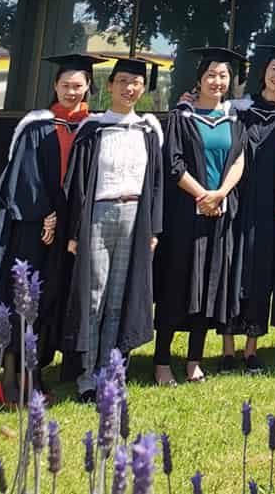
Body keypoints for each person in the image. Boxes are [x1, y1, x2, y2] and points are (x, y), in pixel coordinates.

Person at [0, 52, 103, 402]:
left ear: (88, 88)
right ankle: (15, 381)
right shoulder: (36, 126)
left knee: (56, 298)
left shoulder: (92, 126)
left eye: (78, 86)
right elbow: (24, 179)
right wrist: (46, 214)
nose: (71, 92)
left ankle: (43, 372)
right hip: (35, 230)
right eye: (65, 85)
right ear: (55, 86)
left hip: (74, 230)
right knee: (26, 298)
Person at [60, 58, 163, 400]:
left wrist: (153, 229)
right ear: (108, 86)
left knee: (120, 297)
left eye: (135, 82)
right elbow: (76, 184)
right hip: (98, 215)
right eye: (121, 81)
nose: (128, 88)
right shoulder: (93, 129)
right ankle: (86, 375)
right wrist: (75, 231)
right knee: (94, 296)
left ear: (143, 88)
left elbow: (156, 184)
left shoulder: (148, 131)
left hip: (135, 216)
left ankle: (111, 370)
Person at [153, 46, 247, 386]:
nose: (217, 81)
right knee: (177, 284)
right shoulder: (182, 117)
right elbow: (173, 163)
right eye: (211, 75)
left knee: (209, 286)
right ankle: (162, 361)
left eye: (223, 75)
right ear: (199, 79)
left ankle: (194, 360)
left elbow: (239, 159)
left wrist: (220, 193)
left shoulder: (234, 118)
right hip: (185, 216)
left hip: (220, 214)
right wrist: (202, 194)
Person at [223, 42, 275, 373]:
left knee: (261, 274)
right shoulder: (237, 110)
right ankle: (227, 347)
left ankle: (251, 347)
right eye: (274, 69)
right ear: (264, 72)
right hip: (237, 203)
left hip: (270, 209)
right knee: (232, 270)